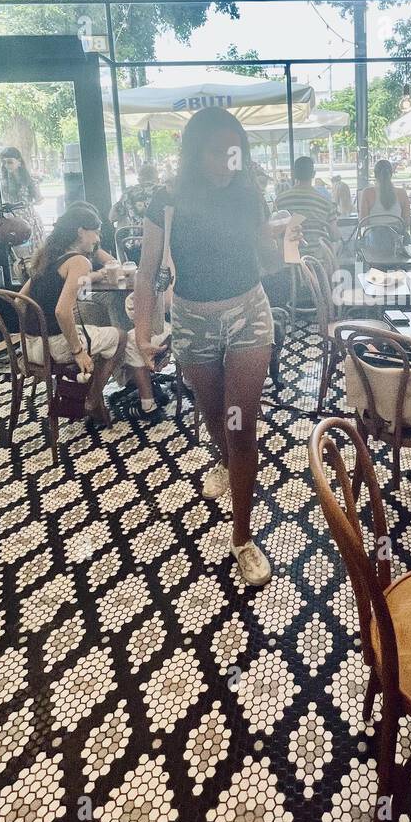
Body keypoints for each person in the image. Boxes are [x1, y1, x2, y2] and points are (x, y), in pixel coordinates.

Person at [133, 108, 299, 588]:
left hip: (249, 313)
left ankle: (243, 538)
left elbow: (266, 262)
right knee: (214, 419)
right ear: (194, 152)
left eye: (235, 152)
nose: (227, 162)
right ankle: (225, 463)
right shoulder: (166, 200)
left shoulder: (249, 196)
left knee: (241, 426)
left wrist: (285, 242)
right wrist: (143, 332)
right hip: (191, 321)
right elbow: (146, 272)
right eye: (217, 151)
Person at [20, 203, 159, 424]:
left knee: (97, 331)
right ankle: (92, 400)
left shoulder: (46, 257)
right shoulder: (78, 261)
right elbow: (62, 311)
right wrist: (77, 351)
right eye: (94, 231)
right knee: (121, 336)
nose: (97, 238)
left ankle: (100, 392)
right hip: (54, 347)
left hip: (29, 347)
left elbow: (20, 300)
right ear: (80, 232)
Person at [275, 155, 340, 256]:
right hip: (318, 262)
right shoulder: (326, 203)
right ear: (313, 174)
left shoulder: (280, 201)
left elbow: (276, 233)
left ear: (293, 174)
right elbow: (335, 236)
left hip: (289, 260)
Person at [0, 146, 45, 270]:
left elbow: (40, 199)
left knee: (35, 254)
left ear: (19, 162)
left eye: (9, 162)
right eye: (3, 162)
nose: (6, 165)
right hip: (13, 221)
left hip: (30, 219)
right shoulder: (2, 181)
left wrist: (28, 204)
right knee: (19, 257)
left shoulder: (29, 180)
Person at [358, 159, 411, 227]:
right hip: (396, 236)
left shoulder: (367, 193)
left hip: (374, 236)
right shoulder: (402, 193)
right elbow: (407, 221)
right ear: (391, 174)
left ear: (375, 174)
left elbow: (363, 222)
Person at [110, 162, 159, 230]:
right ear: (157, 179)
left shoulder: (128, 192)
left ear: (139, 180)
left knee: (122, 220)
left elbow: (112, 217)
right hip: (160, 238)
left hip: (134, 238)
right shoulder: (163, 191)